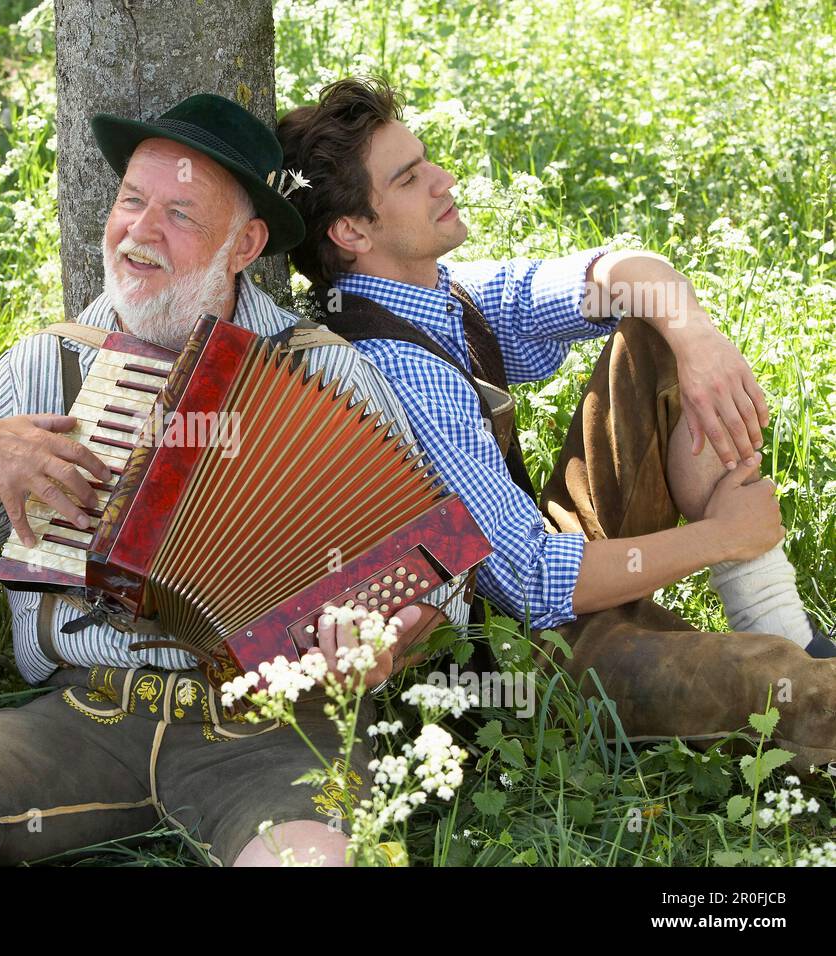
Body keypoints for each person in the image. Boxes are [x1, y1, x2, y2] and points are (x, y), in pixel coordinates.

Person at [0, 93, 464, 868]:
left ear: (244, 243)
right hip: (84, 713)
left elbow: (440, 573)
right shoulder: (49, 363)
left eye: (181, 214)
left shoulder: (322, 370)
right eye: (132, 201)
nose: (139, 230)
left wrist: (386, 632)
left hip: (272, 733)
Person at [275, 76, 836, 767]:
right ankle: (787, 654)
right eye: (412, 177)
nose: (444, 180)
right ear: (353, 230)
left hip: (557, 566)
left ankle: (778, 621)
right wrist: (723, 537)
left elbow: (617, 271)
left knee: (656, 328)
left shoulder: (435, 297)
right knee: (785, 690)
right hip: (520, 658)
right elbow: (534, 587)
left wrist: (698, 339)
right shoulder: (391, 366)